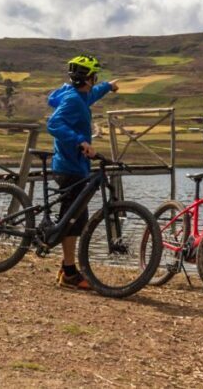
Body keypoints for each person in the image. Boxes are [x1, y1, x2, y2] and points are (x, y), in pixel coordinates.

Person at [46, 55, 119, 289]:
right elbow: (54, 124)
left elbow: (91, 95)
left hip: (73, 164)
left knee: (75, 218)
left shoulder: (77, 96)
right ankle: (68, 273)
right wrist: (81, 141)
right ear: (88, 78)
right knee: (73, 220)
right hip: (70, 166)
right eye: (94, 76)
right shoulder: (74, 101)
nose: (94, 79)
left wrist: (107, 87)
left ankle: (67, 267)